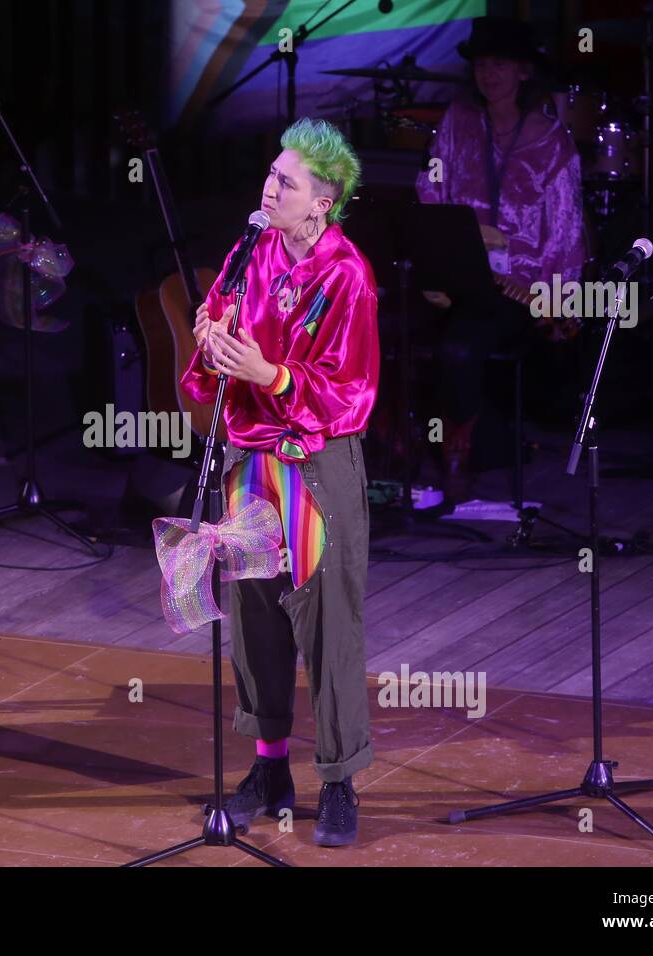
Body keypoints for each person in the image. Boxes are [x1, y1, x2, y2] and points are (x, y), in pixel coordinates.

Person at [180, 117, 379, 847]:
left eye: (286, 182)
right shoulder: (250, 250)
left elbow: (351, 391)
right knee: (255, 612)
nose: (270, 188)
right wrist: (212, 341)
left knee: (328, 623)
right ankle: (269, 768)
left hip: (315, 466)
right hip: (251, 460)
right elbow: (217, 360)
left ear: (322, 201)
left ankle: (339, 780)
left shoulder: (346, 273)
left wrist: (269, 373)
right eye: (270, 175)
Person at [416, 15, 587, 503]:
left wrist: (557, 300)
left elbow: (568, 229)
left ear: (524, 73)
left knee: (460, 348)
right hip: (459, 274)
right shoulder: (458, 122)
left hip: (520, 288)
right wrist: (434, 260)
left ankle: (457, 454)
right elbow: (431, 187)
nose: (488, 75)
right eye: (482, 65)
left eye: (499, 65)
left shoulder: (552, 142)